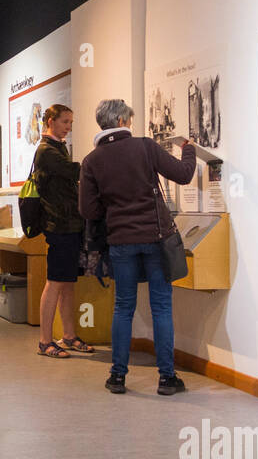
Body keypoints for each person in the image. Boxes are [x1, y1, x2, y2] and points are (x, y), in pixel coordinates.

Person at [78, 99, 195, 394]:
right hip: (156, 239)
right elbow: (183, 174)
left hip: (120, 241)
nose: (130, 124)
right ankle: (167, 378)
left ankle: (117, 376)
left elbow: (88, 211)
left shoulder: (92, 161)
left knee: (123, 307)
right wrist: (190, 149)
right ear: (120, 121)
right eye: (129, 120)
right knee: (161, 306)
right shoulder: (144, 146)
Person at [33, 104, 93, 358]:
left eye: (71, 122)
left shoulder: (58, 148)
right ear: (51, 121)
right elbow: (74, 171)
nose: (69, 127)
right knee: (55, 282)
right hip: (58, 226)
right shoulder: (47, 151)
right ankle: (45, 341)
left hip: (70, 225)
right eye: (65, 122)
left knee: (67, 283)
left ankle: (69, 335)